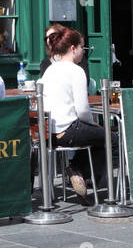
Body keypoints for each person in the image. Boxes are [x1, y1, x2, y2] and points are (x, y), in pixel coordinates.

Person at [39, 27, 104, 199]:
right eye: (83, 47)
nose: (84, 51)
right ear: (73, 48)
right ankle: (78, 170)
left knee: (98, 136)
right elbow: (82, 110)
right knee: (112, 139)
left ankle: (76, 169)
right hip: (69, 129)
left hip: (49, 133)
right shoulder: (76, 71)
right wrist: (93, 124)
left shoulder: (50, 69)